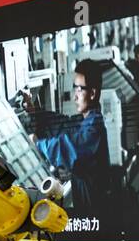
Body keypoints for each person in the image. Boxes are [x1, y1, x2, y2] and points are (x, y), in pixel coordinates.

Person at [32, 59, 110, 215]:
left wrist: (37, 144)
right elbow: (63, 123)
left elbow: (69, 148)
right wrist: (35, 112)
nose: (75, 97)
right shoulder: (87, 119)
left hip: (93, 207)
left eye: (79, 89)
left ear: (93, 93)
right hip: (87, 198)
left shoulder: (93, 127)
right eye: (74, 89)